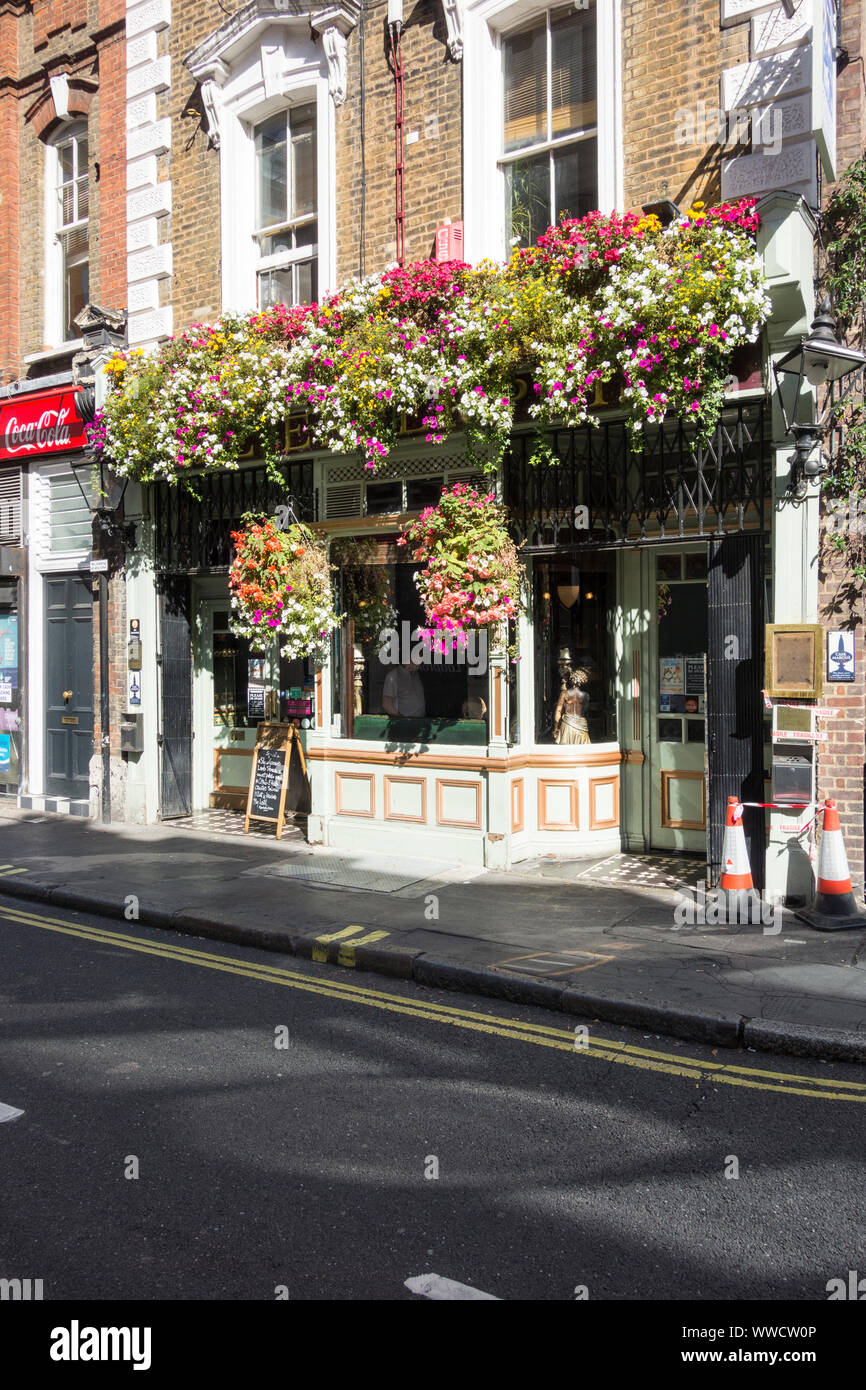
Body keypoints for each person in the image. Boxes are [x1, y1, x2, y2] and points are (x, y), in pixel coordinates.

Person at [553, 667, 591, 745]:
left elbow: (558, 712)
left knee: (566, 752)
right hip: (581, 725)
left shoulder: (564, 694)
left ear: (571, 680)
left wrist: (556, 728)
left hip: (567, 725)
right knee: (582, 752)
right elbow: (586, 712)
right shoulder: (586, 696)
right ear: (583, 681)